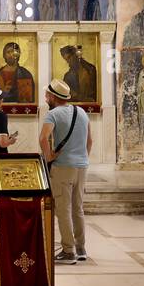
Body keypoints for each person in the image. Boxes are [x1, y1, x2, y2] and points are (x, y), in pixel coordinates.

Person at [40, 79, 92, 264]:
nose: (46, 97)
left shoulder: (53, 114)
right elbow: (90, 141)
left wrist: (49, 157)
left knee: (63, 209)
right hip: (82, 167)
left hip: (63, 168)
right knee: (78, 208)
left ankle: (68, 251)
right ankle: (81, 248)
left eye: (47, 95)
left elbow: (43, 138)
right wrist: (82, 158)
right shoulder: (82, 112)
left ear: (54, 97)